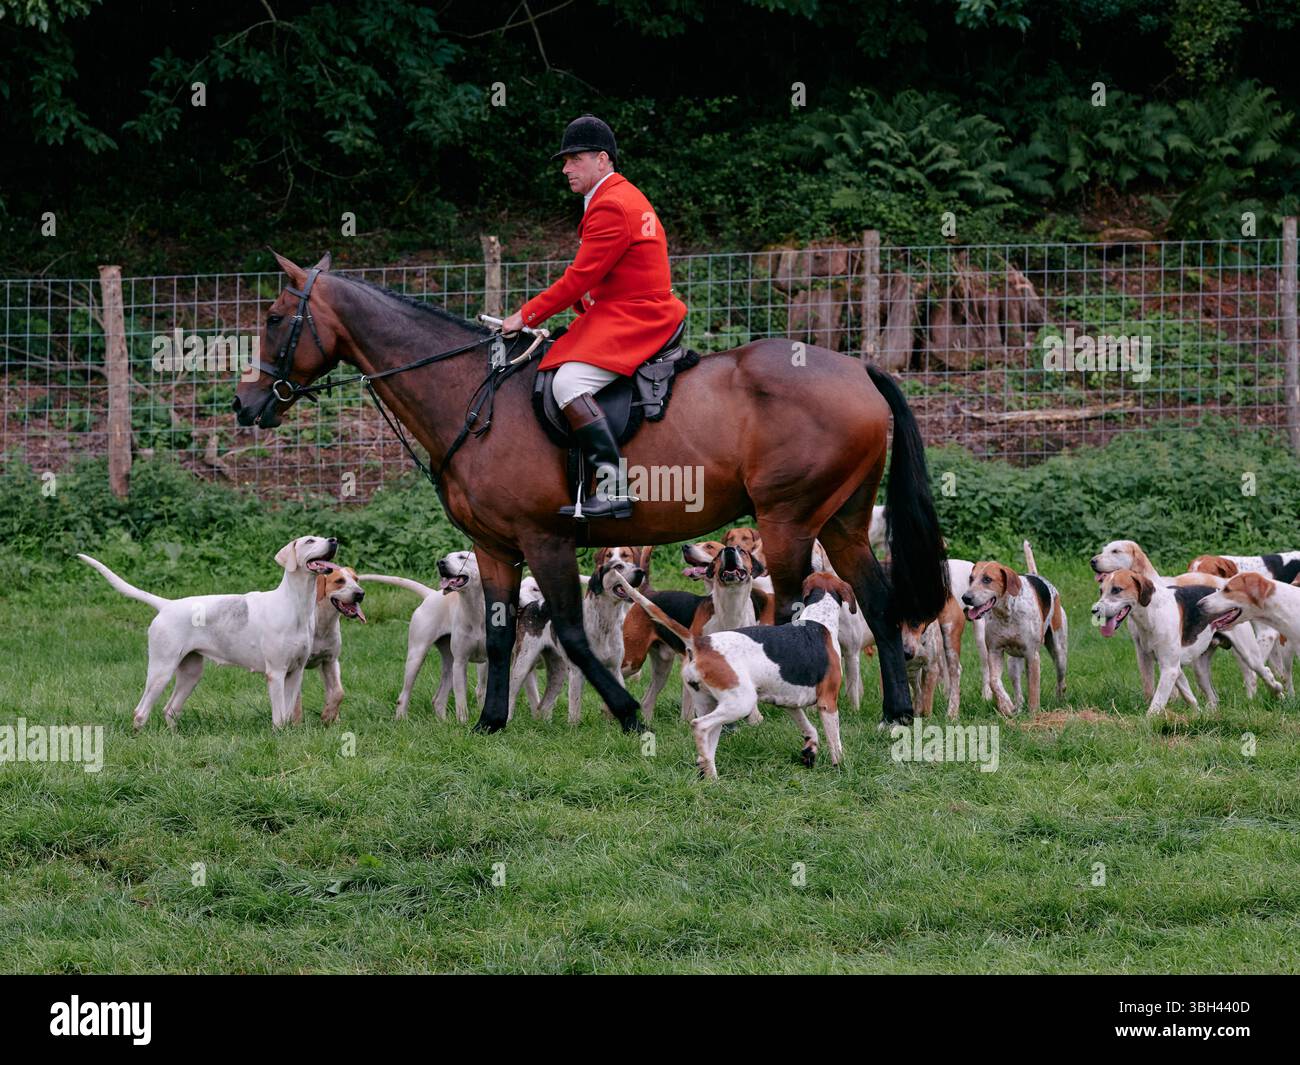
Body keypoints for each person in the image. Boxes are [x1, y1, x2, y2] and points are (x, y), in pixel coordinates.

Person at [500, 114, 687, 519]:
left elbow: (578, 278)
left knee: (568, 382)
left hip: (638, 316)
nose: (566, 168)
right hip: (624, 308)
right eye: (565, 160)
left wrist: (524, 316)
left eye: (575, 159)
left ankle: (614, 486)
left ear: (602, 160)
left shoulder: (612, 205)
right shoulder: (616, 196)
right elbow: (599, 279)